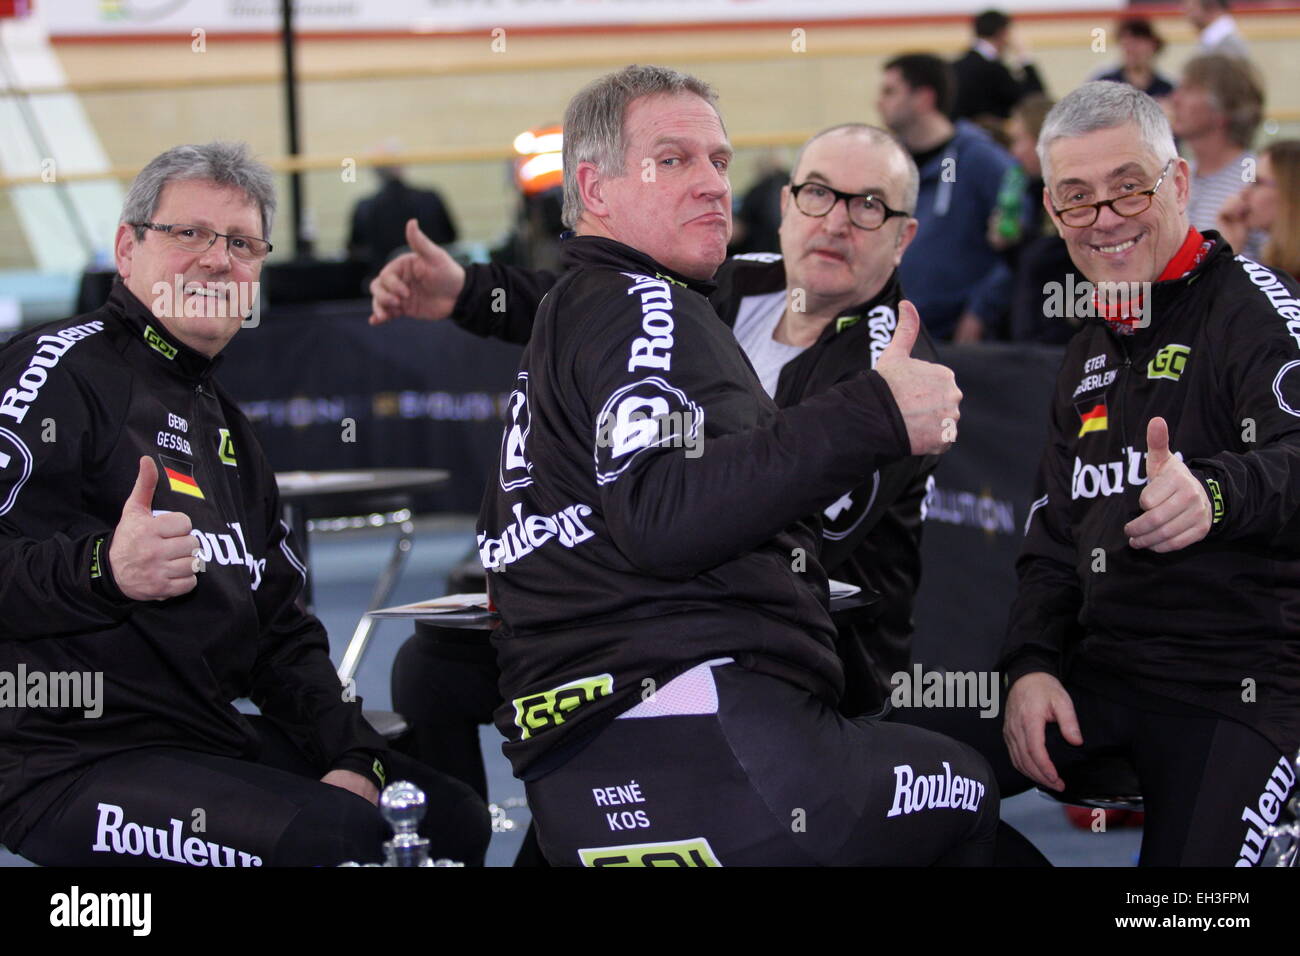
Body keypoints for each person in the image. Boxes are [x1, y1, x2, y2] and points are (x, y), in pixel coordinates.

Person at [383, 64, 994, 866]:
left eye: (719, 162)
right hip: (697, 688)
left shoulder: (877, 352)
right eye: (675, 160)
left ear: (903, 235)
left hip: (757, 676)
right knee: (428, 668)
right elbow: (597, 319)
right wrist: (470, 292)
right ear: (787, 205)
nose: (836, 222)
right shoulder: (700, 294)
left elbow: (807, 520)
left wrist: (873, 411)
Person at [0, 142, 490, 867]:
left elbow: (280, 633)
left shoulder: (224, 423)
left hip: (197, 740)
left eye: (240, 243)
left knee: (451, 819)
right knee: (338, 840)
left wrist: (353, 754)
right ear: (127, 249)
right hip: (58, 759)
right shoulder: (55, 370)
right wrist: (103, 569)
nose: (215, 260)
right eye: (189, 233)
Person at [1001, 81, 1300, 865]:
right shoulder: (1087, 348)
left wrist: (1217, 494)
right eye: (1077, 199)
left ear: (1178, 185)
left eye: (1128, 187)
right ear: (1053, 211)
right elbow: (1053, 539)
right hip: (1104, 675)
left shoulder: (1254, 308)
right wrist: (1030, 666)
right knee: (908, 777)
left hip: (1243, 686)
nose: (1105, 218)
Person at [878, 53, 1020, 342]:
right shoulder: (889, 162)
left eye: (890, 91)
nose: (879, 102)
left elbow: (1016, 247)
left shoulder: (978, 158)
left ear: (924, 98)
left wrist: (980, 313)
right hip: (898, 332)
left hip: (959, 338)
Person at [1169, 54, 1265, 240]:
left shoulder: (1255, 178)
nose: (1175, 99)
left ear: (1224, 107)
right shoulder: (1177, 174)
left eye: (1190, 90)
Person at [348, 159, 458, 282]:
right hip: (433, 280)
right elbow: (451, 238)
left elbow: (355, 251)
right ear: (401, 167)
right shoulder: (430, 198)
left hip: (386, 284)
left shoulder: (364, 207)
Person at [1217, 139, 1300, 279]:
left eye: (1258, 183)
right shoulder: (1276, 263)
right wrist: (1231, 247)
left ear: (1291, 192)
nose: (1244, 192)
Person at [950, 9, 1046, 124]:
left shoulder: (955, 67)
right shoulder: (995, 70)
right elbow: (1035, 98)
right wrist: (1024, 58)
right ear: (1003, 33)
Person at [1092, 17, 1174, 100]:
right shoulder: (1104, 84)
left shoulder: (1166, 89)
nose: (1131, 48)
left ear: (1153, 46)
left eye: (1137, 44)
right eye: (1126, 44)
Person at [1184, 0, 1250, 61]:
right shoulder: (1213, 40)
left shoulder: (1227, 43)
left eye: (1191, 10)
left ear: (1212, 7)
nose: (1189, 17)